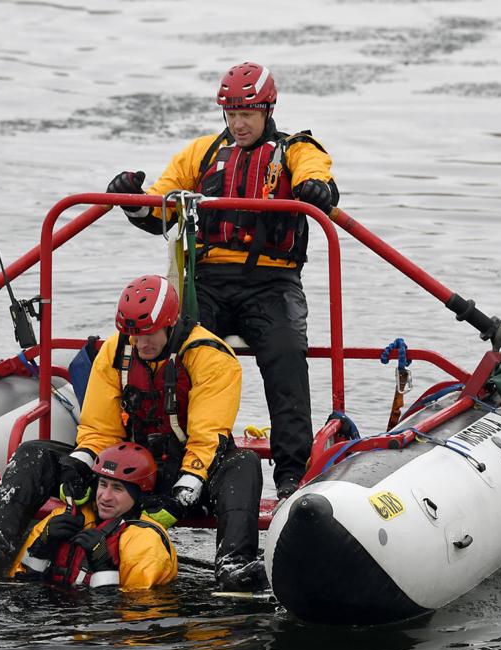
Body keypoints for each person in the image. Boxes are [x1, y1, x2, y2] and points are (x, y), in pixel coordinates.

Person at [0, 274, 268, 591]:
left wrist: (181, 497)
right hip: (127, 473)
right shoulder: (115, 353)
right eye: (134, 335)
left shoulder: (211, 357)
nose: (140, 343)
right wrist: (81, 467)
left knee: (243, 464)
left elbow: (208, 439)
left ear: (170, 323)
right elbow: (99, 430)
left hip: (184, 475)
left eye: (148, 334)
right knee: (34, 453)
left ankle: (232, 566)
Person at [105, 61, 338, 499]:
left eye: (246, 114)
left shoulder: (296, 150)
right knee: (174, 349)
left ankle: (292, 472)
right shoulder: (202, 154)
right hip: (207, 281)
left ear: (268, 110)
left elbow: (317, 174)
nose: (238, 123)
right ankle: (170, 454)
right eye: (230, 114)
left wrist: (316, 191)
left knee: (285, 354)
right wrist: (134, 201)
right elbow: (162, 209)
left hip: (272, 283)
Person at [3, 442, 177, 589]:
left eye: (117, 488)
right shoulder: (62, 517)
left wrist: (104, 567)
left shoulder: (145, 543)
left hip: (98, 622)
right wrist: (41, 548)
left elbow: (134, 617)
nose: (105, 496)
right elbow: (19, 586)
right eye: (103, 484)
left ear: (139, 495)